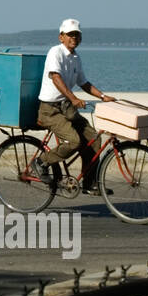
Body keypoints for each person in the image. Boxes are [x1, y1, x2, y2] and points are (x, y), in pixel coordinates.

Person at [35, 19, 116, 194]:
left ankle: (89, 182)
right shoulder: (55, 52)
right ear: (61, 37)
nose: (74, 38)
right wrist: (73, 98)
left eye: (77, 34)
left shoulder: (75, 58)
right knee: (74, 141)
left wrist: (103, 96)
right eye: (70, 34)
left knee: (94, 138)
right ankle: (41, 161)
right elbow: (55, 77)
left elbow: (84, 83)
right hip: (50, 110)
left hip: (66, 107)